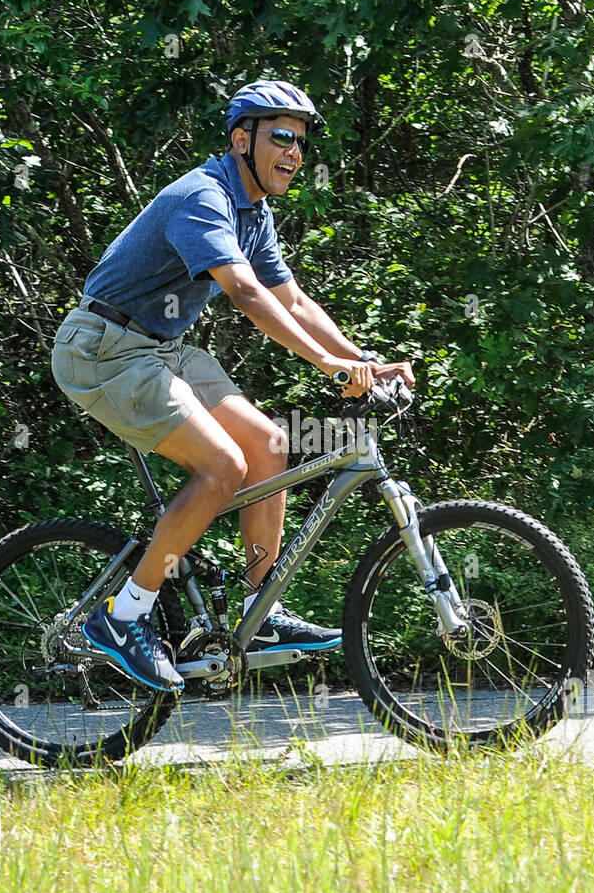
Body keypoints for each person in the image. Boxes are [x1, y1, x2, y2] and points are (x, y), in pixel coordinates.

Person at [52, 80, 415, 693]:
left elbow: (290, 299)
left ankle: (259, 611)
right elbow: (244, 294)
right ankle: (125, 615)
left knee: (269, 446)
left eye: (301, 143)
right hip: (103, 349)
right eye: (281, 137)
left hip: (158, 348)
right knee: (221, 466)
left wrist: (365, 361)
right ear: (241, 140)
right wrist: (331, 369)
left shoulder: (254, 213)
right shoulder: (203, 196)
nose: (294, 153)